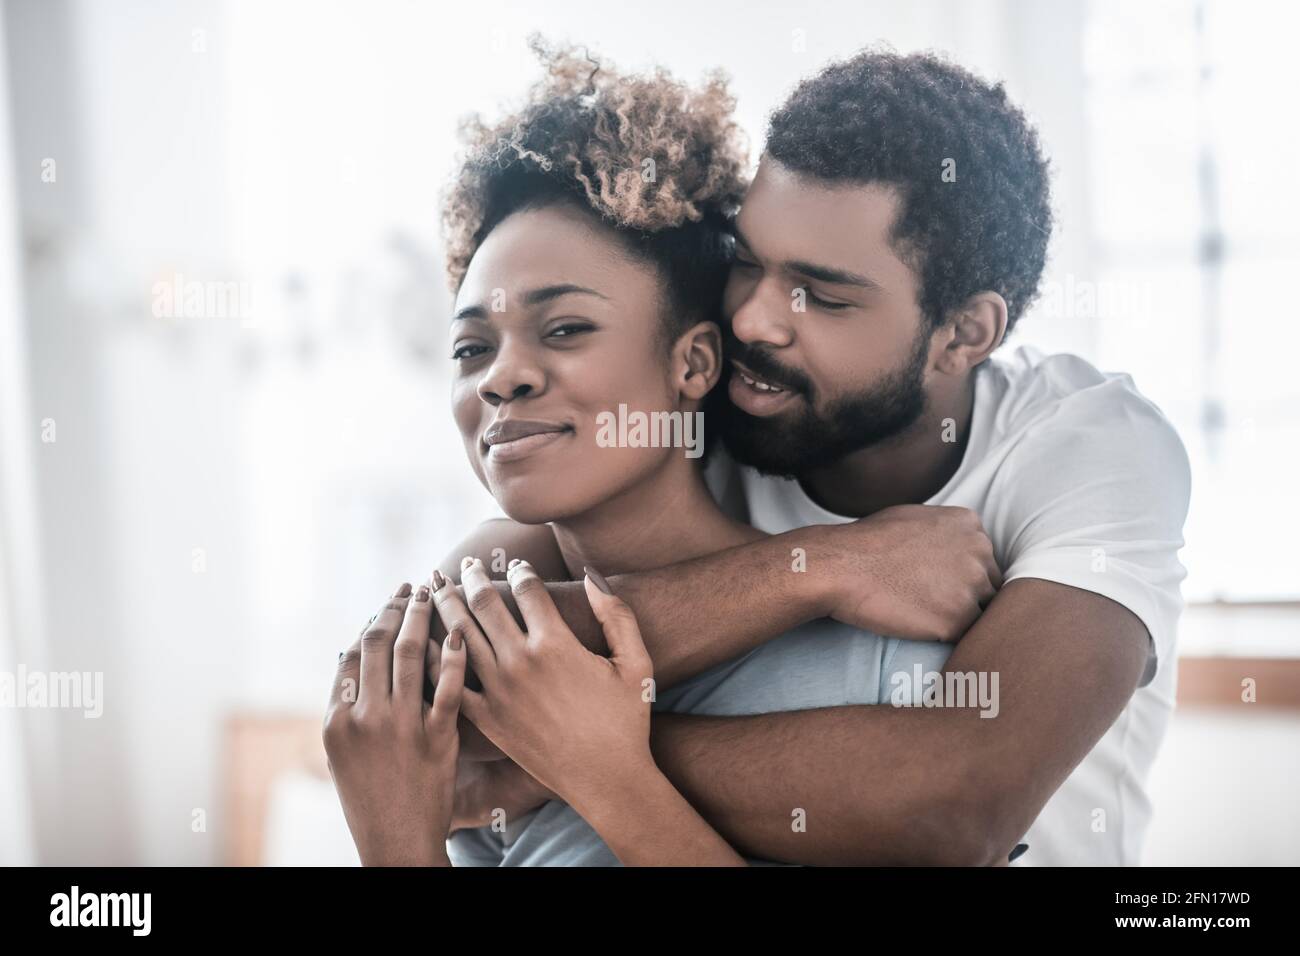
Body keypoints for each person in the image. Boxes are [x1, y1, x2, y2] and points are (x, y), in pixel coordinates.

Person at [432, 47, 1191, 867]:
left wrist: (575, 750)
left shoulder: (1089, 445)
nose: (756, 320)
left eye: (822, 296)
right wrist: (824, 567)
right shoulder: (717, 397)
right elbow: (443, 654)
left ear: (965, 333)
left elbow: (950, 804)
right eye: (748, 264)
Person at [323, 39, 993, 866]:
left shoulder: (878, 662)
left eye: (564, 328)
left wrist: (595, 767)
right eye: (470, 349)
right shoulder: (473, 670)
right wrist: (395, 838)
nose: (503, 379)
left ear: (694, 365)